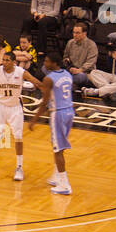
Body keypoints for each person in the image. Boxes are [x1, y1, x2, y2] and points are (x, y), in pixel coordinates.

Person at [0, 45, 45, 182]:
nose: (4, 62)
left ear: (14, 62)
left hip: (15, 107)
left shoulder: (21, 72)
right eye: (3, 60)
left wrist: (47, 90)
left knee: (18, 137)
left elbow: (36, 82)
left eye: (7, 60)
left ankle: (19, 167)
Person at [40, 53, 74, 195]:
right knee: (59, 146)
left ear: (54, 63)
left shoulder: (49, 79)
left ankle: (64, 184)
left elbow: (44, 102)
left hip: (58, 113)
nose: (45, 63)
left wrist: (34, 120)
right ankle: (56, 176)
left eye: (47, 60)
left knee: (57, 149)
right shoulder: (67, 74)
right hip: (69, 111)